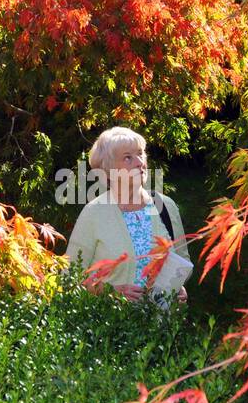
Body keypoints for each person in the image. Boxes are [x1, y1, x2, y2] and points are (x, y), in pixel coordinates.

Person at [64, 126, 190, 304]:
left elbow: (183, 261)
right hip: (111, 326)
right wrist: (109, 292)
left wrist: (179, 287)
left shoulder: (165, 206)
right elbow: (68, 277)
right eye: (128, 158)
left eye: (140, 154)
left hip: (163, 327)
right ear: (109, 170)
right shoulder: (94, 213)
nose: (139, 162)